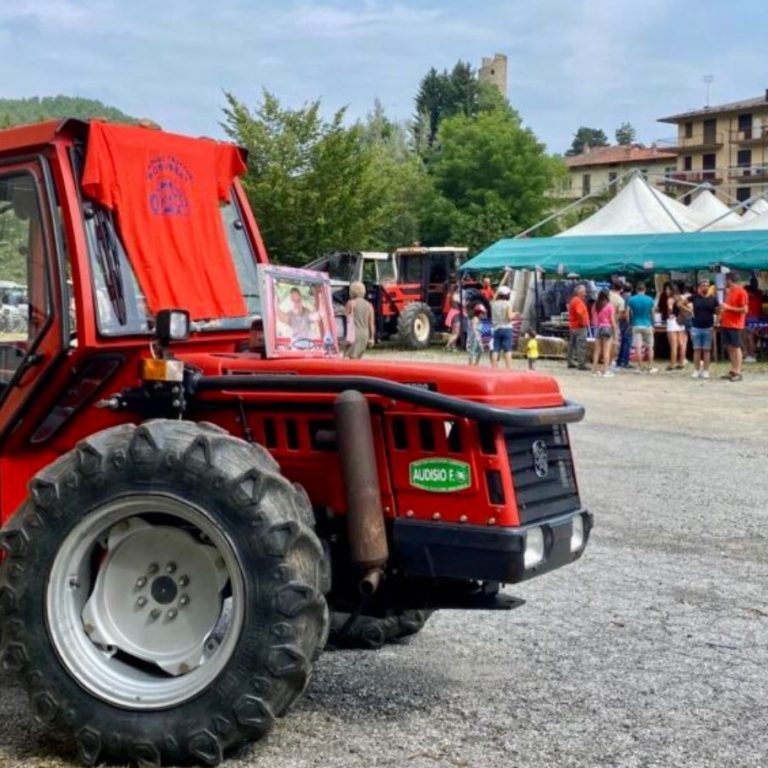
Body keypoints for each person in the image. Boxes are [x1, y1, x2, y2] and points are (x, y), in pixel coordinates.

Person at [720, 271, 748, 381]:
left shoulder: (741, 292)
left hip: (735, 324)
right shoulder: (730, 292)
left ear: (729, 280)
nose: (724, 282)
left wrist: (728, 308)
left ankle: (738, 371)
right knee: (730, 347)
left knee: (736, 348)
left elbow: (744, 310)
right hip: (727, 322)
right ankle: (733, 370)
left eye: (725, 280)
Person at [688, 278, 718, 379]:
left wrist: (717, 322)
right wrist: (688, 310)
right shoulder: (694, 297)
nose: (705, 287)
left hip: (708, 327)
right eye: (703, 285)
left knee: (706, 350)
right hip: (696, 327)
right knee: (696, 350)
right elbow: (680, 303)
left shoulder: (713, 299)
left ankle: (706, 370)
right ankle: (696, 370)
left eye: (707, 285)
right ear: (699, 287)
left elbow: (718, 311)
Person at [627, 281, 657, 374]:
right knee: (650, 347)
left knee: (638, 347)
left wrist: (630, 324)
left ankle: (640, 367)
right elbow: (652, 313)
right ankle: (650, 366)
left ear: (636, 290)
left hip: (636, 324)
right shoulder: (650, 299)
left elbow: (628, 313)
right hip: (647, 324)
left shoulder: (631, 299)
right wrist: (653, 324)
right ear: (645, 289)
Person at [658, 281, 686, 370]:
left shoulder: (670, 299)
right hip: (681, 321)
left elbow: (670, 308)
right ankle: (681, 362)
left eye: (667, 289)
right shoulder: (681, 297)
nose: (666, 291)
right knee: (681, 343)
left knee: (673, 344)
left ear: (671, 290)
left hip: (672, 321)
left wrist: (670, 313)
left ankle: (672, 363)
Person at [344, 281, 375, 359]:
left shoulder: (351, 303)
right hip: (365, 334)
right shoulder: (369, 305)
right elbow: (371, 324)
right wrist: (372, 338)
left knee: (348, 357)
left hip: (354, 334)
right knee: (358, 358)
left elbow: (346, 318)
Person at [591, 289, 616, 377]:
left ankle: (594, 370)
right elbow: (612, 320)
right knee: (606, 350)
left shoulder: (595, 305)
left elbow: (593, 319)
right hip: (607, 327)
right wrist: (615, 329)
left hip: (597, 328)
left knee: (597, 350)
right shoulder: (610, 306)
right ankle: (605, 370)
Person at [490, 285, 516, 369]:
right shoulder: (508, 304)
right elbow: (509, 317)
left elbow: (494, 298)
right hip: (506, 328)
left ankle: (494, 366)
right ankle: (508, 367)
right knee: (507, 349)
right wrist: (515, 314)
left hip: (496, 328)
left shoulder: (493, 304)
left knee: (496, 348)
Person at [566, 284, 590, 370]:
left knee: (572, 345)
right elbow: (579, 313)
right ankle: (581, 364)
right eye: (583, 292)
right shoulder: (578, 301)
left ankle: (570, 361)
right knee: (581, 345)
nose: (585, 294)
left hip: (573, 326)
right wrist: (582, 322)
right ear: (579, 292)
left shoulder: (573, 300)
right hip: (579, 326)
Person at [744, 276, 765, 362]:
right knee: (753, 336)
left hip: (751, 317)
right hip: (757, 317)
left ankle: (751, 355)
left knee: (749, 336)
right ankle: (751, 354)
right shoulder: (759, 292)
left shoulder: (755, 292)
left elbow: (746, 290)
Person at [608, 280, 626, 369]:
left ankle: (604, 361)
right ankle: (611, 362)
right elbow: (619, 314)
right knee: (614, 344)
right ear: (621, 289)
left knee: (603, 343)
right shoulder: (621, 300)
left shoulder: (606, 295)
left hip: (602, 322)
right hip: (613, 323)